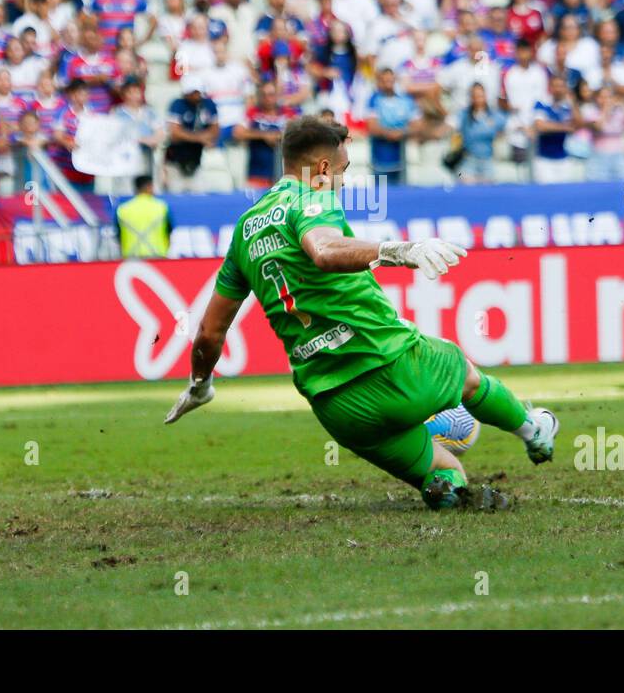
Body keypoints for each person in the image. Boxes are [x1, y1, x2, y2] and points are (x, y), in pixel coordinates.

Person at [165, 117, 560, 510]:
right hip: (389, 363)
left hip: (337, 406)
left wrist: (200, 384)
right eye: (342, 170)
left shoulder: (245, 229)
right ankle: (534, 432)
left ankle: (446, 489)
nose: (342, 180)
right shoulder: (311, 199)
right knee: (466, 376)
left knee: (445, 467)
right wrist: (394, 251)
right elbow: (324, 250)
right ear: (321, 168)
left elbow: (209, 333)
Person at [116, 174, 172, 258]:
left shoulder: (123, 209)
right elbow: (169, 232)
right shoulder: (161, 207)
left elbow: (118, 236)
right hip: (158, 257)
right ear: (150, 186)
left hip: (131, 258)